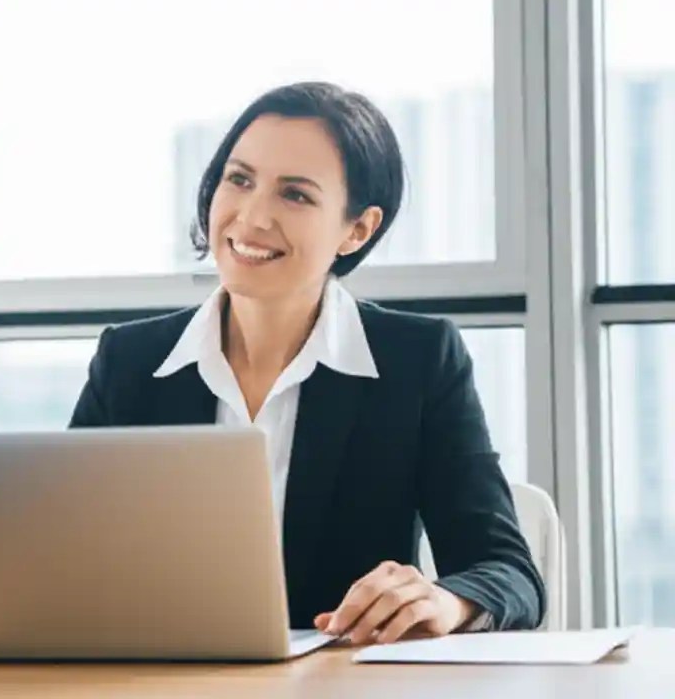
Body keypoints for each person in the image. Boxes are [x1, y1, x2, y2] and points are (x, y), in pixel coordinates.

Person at [70, 82, 544, 644]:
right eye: (239, 179)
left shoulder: (416, 361)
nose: (251, 216)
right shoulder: (129, 361)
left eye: (294, 195)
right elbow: (60, 554)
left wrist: (445, 599)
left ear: (357, 229)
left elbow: (509, 574)